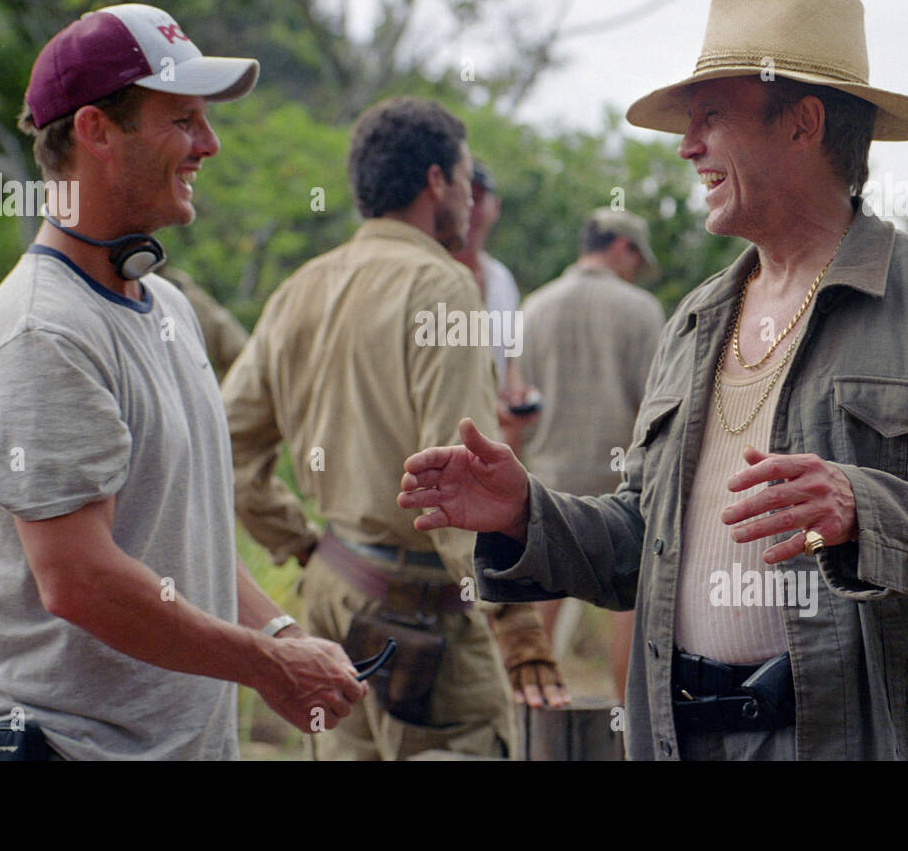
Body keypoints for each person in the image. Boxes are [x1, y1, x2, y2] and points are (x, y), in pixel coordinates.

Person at [399, 0, 908, 760]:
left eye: (710, 118)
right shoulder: (694, 318)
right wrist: (525, 513)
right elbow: (639, 547)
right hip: (680, 739)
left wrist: (865, 509)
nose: (686, 146)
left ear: (803, 123)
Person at [0, 3, 364, 761]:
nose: (208, 144)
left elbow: (180, 535)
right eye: (182, 121)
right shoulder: (43, 332)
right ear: (95, 132)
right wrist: (268, 667)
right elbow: (80, 581)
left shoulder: (163, 305)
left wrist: (280, 632)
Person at [223, 96, 566, 761]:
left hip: (330, 597)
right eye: (466, 179)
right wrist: (520, 627)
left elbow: (226, 448)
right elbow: (459, 483)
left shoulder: (300, 287)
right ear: (436, 181)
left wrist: (297, 542)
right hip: (422, 620)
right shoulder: (444, 288)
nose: (471, 200)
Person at [516, 208, 666, 700]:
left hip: (546, 482)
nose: (637, 271)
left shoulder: (534, 307)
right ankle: (629, 732)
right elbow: (656, 408)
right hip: (619, 487)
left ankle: (528, 727)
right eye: (638, 260)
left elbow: (518, 403)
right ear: (624, 247)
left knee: (536, 610)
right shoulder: (642, 309)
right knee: (630, 604)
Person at [452, 161, 535, 452]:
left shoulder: (501, 278)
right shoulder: (431, 277)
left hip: (492, 445)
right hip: (442, 443)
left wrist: (516, 398)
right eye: (464, 197)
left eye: (479, 198)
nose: (471, 208)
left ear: (495, 207)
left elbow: (509, 357)